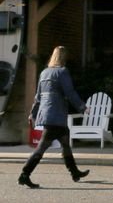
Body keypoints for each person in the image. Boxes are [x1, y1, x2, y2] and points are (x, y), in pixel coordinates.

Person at [19, 46, 89, 189]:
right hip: (56, 115)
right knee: (41, 147)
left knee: (65, 143)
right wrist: (82, 107)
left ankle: (74, 172)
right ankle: (24, 174)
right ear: (64, 57)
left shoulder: (44, 73)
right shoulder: (62, 72)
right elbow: (70, 92)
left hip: (48, 114)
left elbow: (38, 97)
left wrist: (32, 113)